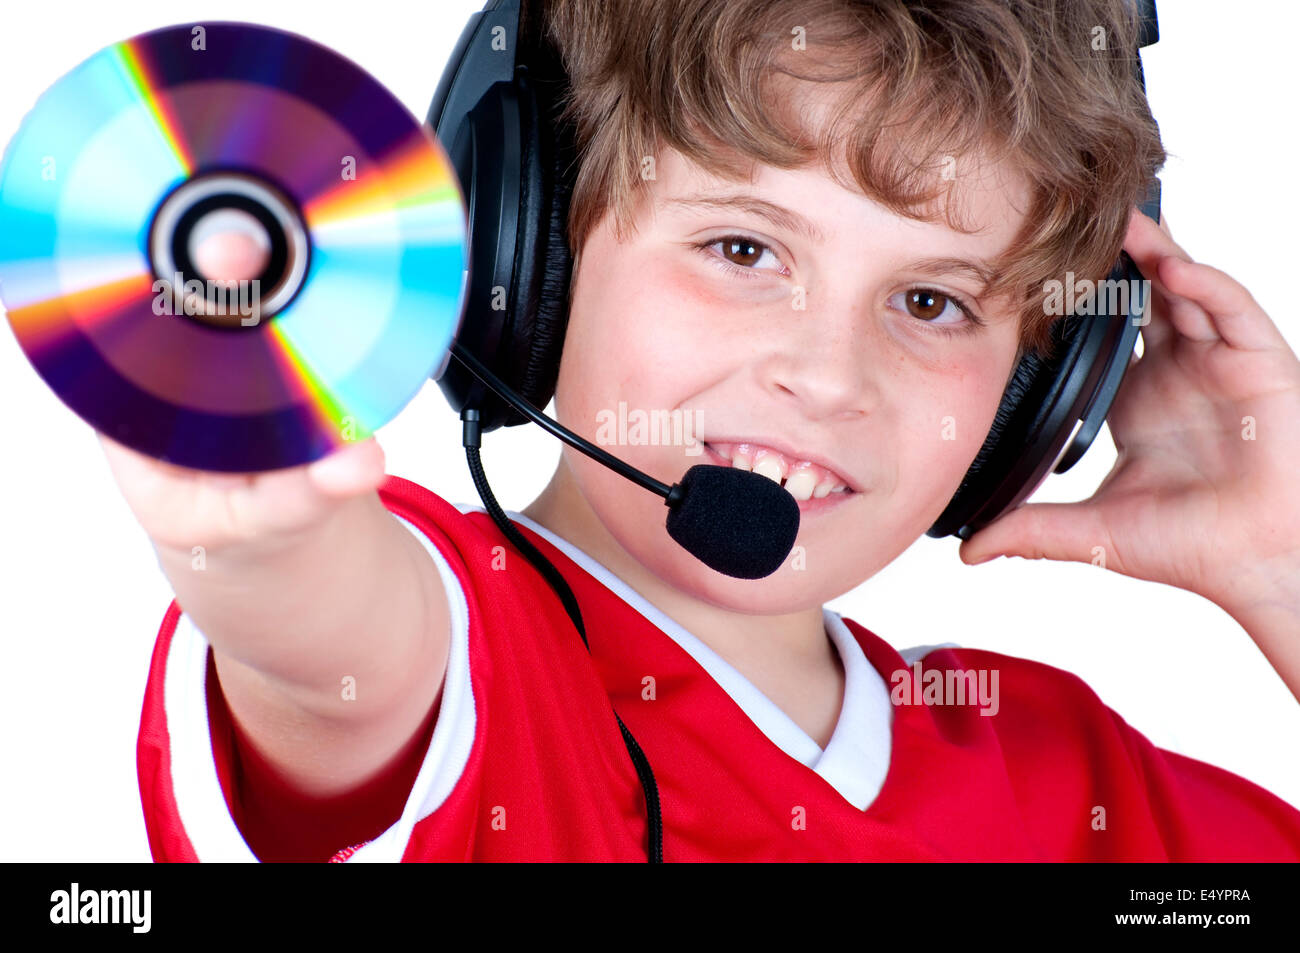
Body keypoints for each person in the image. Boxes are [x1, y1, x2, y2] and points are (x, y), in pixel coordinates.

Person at [109, 0, 1300, 861]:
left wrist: (1280, 565)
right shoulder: (467, 636)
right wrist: (269, 547)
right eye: (743, 250)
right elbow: (341, 663)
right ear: (535, 258)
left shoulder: (1066, 769)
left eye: (931, 301)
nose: (826, 377)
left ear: (1041, 395)